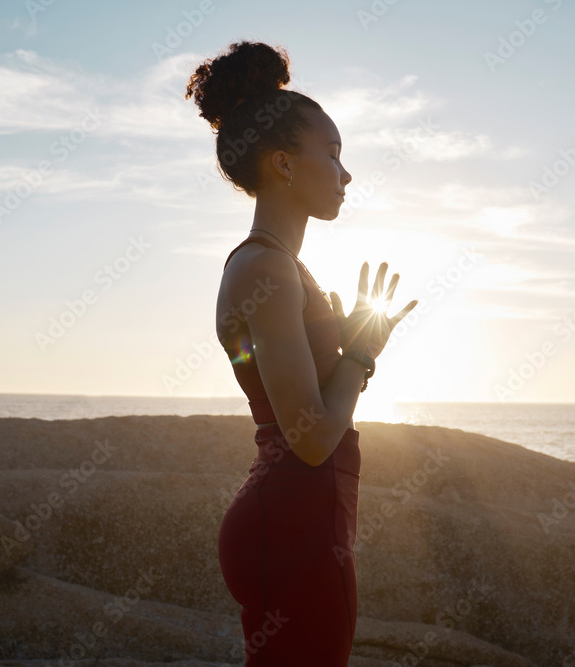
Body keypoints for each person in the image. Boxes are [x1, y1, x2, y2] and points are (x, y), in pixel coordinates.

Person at [185, 40, 417, 665]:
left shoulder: (276, 266)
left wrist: (348, 354)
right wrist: (360, 356)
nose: (346, 173)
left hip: (291, 520)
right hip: (293, 524)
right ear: (284, 165)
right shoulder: (269, 268)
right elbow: (310, 437)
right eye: (334, 154)